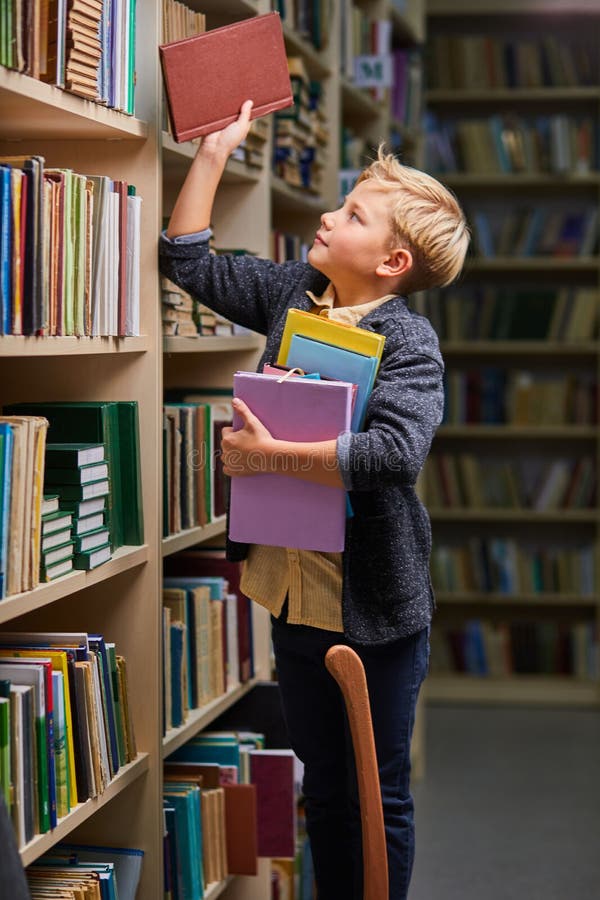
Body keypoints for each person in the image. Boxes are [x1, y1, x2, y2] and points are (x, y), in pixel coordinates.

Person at [160, 100, 469, 900]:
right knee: (324, 790)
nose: (330, 214)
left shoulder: (410, 342)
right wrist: (216, 152)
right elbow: (188, 262)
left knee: (378, 791)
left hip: (376, 609)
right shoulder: (295, 291)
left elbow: (393, 455)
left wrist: (269, 455)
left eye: (354, 212)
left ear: (393, 262)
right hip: (295, 596)